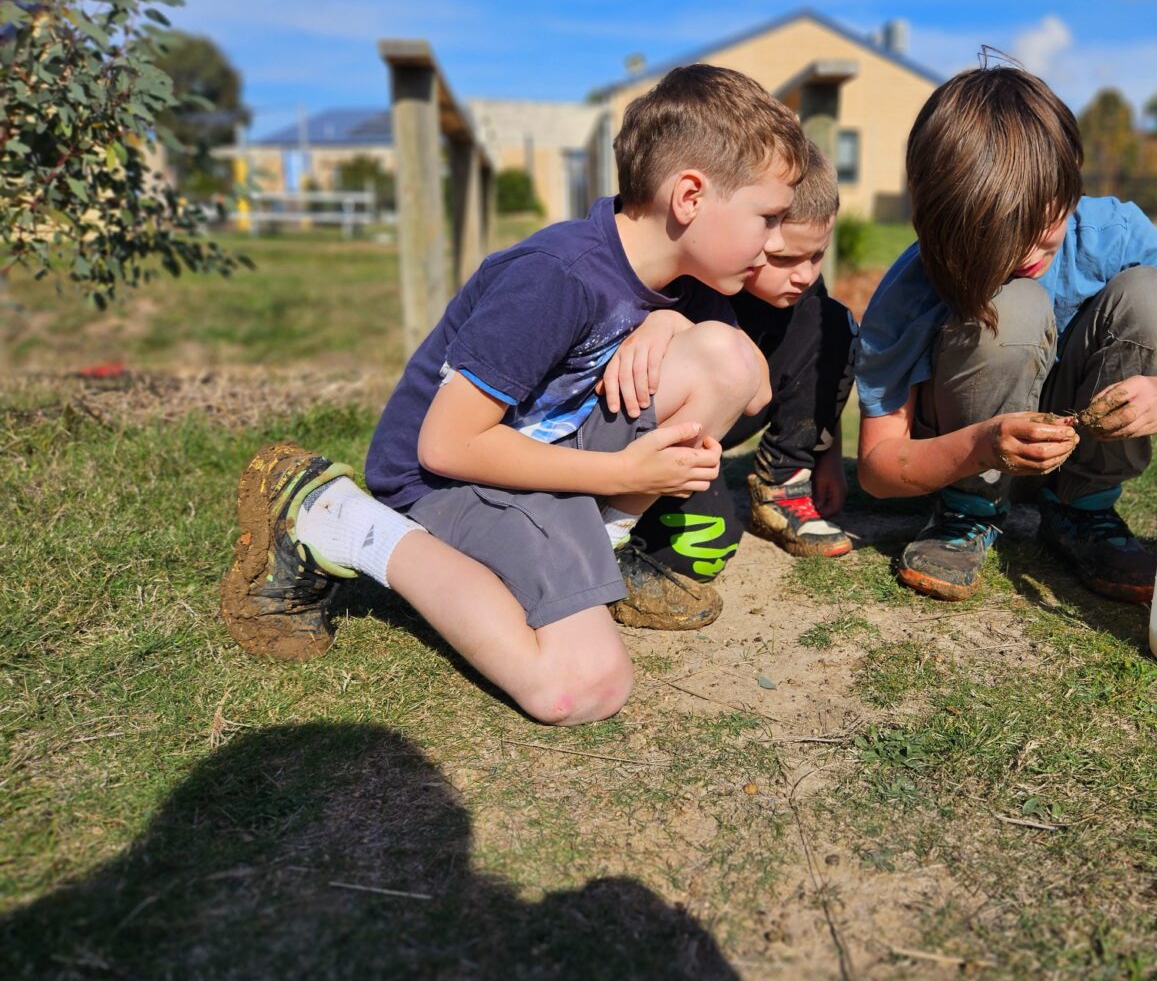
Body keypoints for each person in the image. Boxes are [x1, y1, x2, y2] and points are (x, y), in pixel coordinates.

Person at [218, 64, 809, 726]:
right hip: (443, 481)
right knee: (583, 689)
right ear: (690, 197)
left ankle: (597, 547)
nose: (775, 243)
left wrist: (668, 321)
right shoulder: (554, 278)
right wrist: (621, 472)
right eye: (768, 217)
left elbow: (752, 385)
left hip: (542, 463)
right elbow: (447, 446)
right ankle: (339, 520)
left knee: (723, 358)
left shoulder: (687, 277)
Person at [855, 64, 1157, 605]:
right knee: (1011, 304)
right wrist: (982, 444)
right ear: (945, 229)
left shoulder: (1117, 236)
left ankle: (1084, 509)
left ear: (1070, 182)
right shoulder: (911, 289)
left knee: (1156, 296)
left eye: (1046, 224)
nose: (1032, 254)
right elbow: (876, 467)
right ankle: (968, 512)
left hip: (1078, 460)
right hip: (969, 458)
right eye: (1003, 239)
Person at [600, 146, 858, 628]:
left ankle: (782, 481)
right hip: (674, 424)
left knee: (834, 322)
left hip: (737, 415)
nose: (803, 275)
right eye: (783, 258)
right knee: (704, 554)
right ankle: (617, 522)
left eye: (817, 255)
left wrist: (826, 455)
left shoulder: (802, 293)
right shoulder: (699, 273)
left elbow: (820, 372)